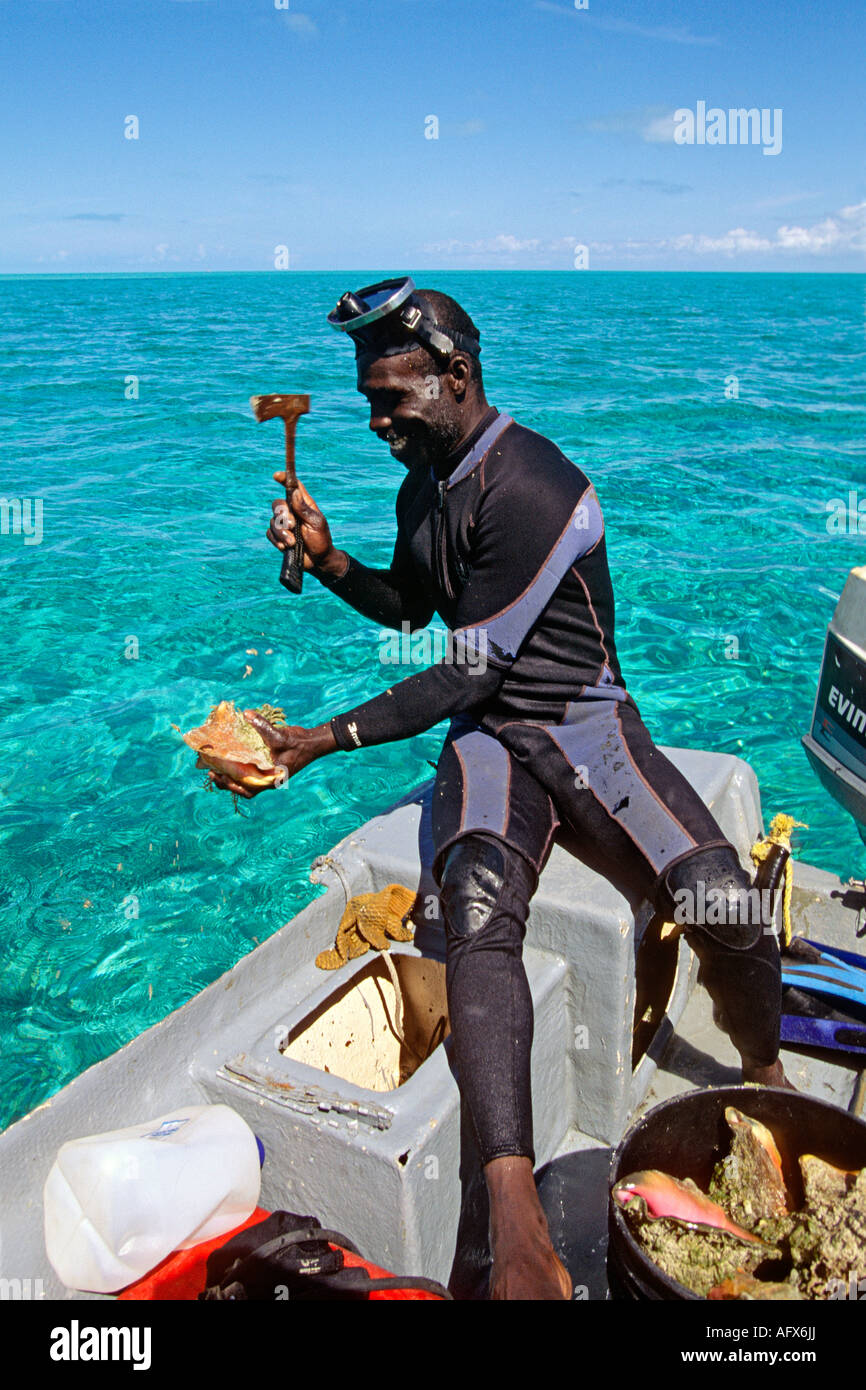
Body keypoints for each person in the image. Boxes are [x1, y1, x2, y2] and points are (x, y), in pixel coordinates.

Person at [212, 279, 790, 1300]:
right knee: (475, 900)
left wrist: (316, 741)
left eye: (392, 397)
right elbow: (410, 609)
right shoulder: (424, 483)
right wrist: (329, 556)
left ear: (456, 376)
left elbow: (469, 666)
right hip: (492, 737)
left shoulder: (531, 485)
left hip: (581, 721)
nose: (379, 422)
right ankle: (511, 1199)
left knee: (723, 900)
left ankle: (764, 1071)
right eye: (368, 403)